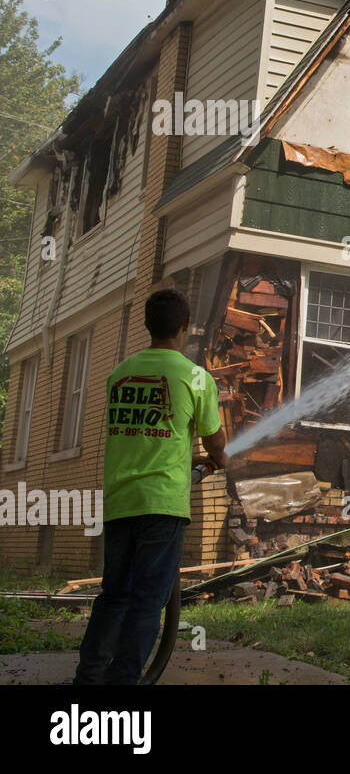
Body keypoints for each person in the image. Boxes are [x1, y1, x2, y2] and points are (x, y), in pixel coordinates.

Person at [74, 288, 226, 684]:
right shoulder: (196, 377)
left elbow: (146, 434)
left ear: (146, 325)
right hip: (162, 506)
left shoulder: (120, 374)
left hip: (122, 502)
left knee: (114, 595)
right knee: (147, 601)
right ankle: (124, 682)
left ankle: (88, 679)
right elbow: (214, 440)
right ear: (186, 327)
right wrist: (218, 459)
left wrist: (186, 457)